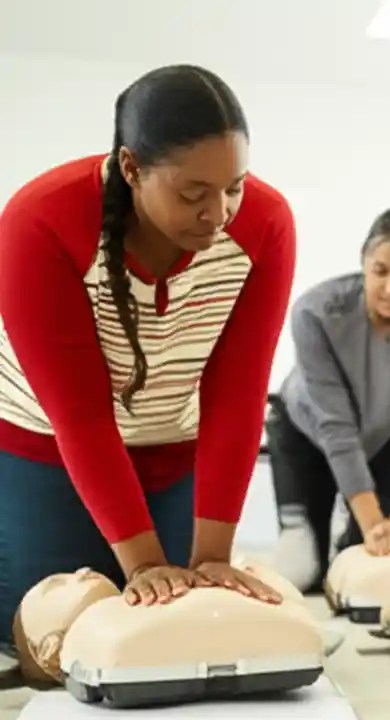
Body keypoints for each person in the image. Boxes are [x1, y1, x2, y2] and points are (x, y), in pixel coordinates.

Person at [0, 64, 293, 656]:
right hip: (44, 447)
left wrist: (213, 559)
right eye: (193, 194)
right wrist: (142, 565)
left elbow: (237, 398)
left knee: (175, 633)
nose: (220, 213)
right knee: (51, 639)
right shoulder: (39, 222)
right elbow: (81, 416)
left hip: (174, 447)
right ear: (131, 168)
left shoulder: (266, 225)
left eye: (234, 187)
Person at [268, 209, 390, 593]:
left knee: (381, 565)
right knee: (302, 570)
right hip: (304, 433)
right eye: (381, 271)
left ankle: (352, 542)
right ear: (363, 265)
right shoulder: (315, 311)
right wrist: (375, 526)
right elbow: (335, 426)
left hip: (379, 435)